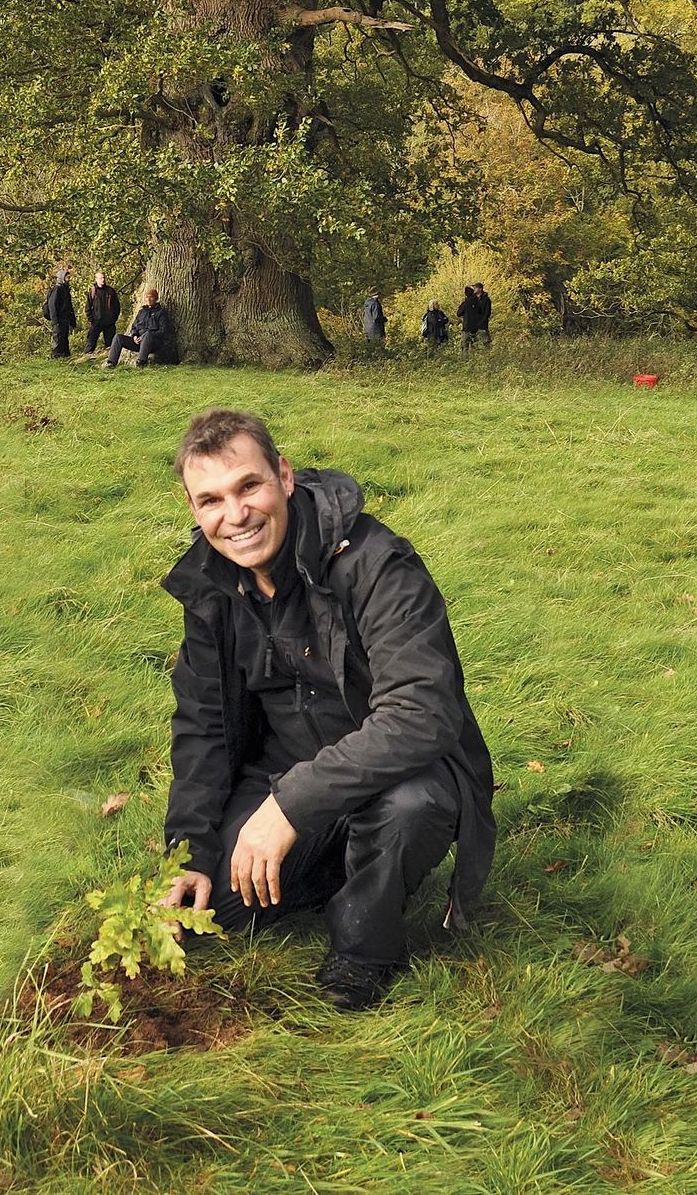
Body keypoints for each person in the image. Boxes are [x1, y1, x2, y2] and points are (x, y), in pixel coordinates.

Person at [161, 408, 495, 1011]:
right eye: (211, 500)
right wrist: (190, 849)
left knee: (411, 808)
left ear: (284, 476)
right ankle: (336, 864)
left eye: (249, 486)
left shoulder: (376, 563)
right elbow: (203, 725)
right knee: (213, 914)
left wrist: (290, 807)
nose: (235, 515)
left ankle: (363, 953)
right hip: (281, 772)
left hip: (394, 774)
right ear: (193, 509)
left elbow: (422, 712)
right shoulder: (212, 585)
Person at [104, 287, 173, 368]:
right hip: (139, 342)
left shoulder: (161, 313)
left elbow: (163, 331)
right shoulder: (142, 312)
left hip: (153, 343)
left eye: (151, 297)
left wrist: (146, 335)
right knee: (118, 337)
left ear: (156, 299)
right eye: (147, 297)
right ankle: (111, 363)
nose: (149, 299)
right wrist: (134, 336)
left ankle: (141, 362)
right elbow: (134, 327)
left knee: (147, 335)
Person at [84, 270, 121, 355]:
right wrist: (91, 320)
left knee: (111, 346)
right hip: (96, 322)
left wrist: (113, 318)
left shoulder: (110, 291)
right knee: (90, 343)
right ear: (96, 279)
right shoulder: (93, 291)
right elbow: (87, 308)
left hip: (109, 323)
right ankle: (87, 358)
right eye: (100, 278)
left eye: (104, 278)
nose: (103, 280)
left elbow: (117, 306)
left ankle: (110, 359)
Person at [45, 266, 76, 359]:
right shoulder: (57, 289)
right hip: (59, 320)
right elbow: (52, 305)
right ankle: (56, 357)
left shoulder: (66, 290)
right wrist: (55, 321)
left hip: (65, 320)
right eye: (67, 277)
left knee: (64, 339)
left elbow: (69, 306)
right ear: (62, 278)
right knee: (58, 339)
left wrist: (72, 320)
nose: (69, 279)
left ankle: (65, 356)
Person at [457, 281, 492, 352]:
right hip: (473, 326)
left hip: (482, 325)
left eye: (475, 288)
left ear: (480, 289)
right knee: (473, 344)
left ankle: (488, 355)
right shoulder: (472, 300)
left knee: (486, 343)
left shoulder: (486, 300)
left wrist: (481, 322)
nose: (474, 289)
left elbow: (487, 313)